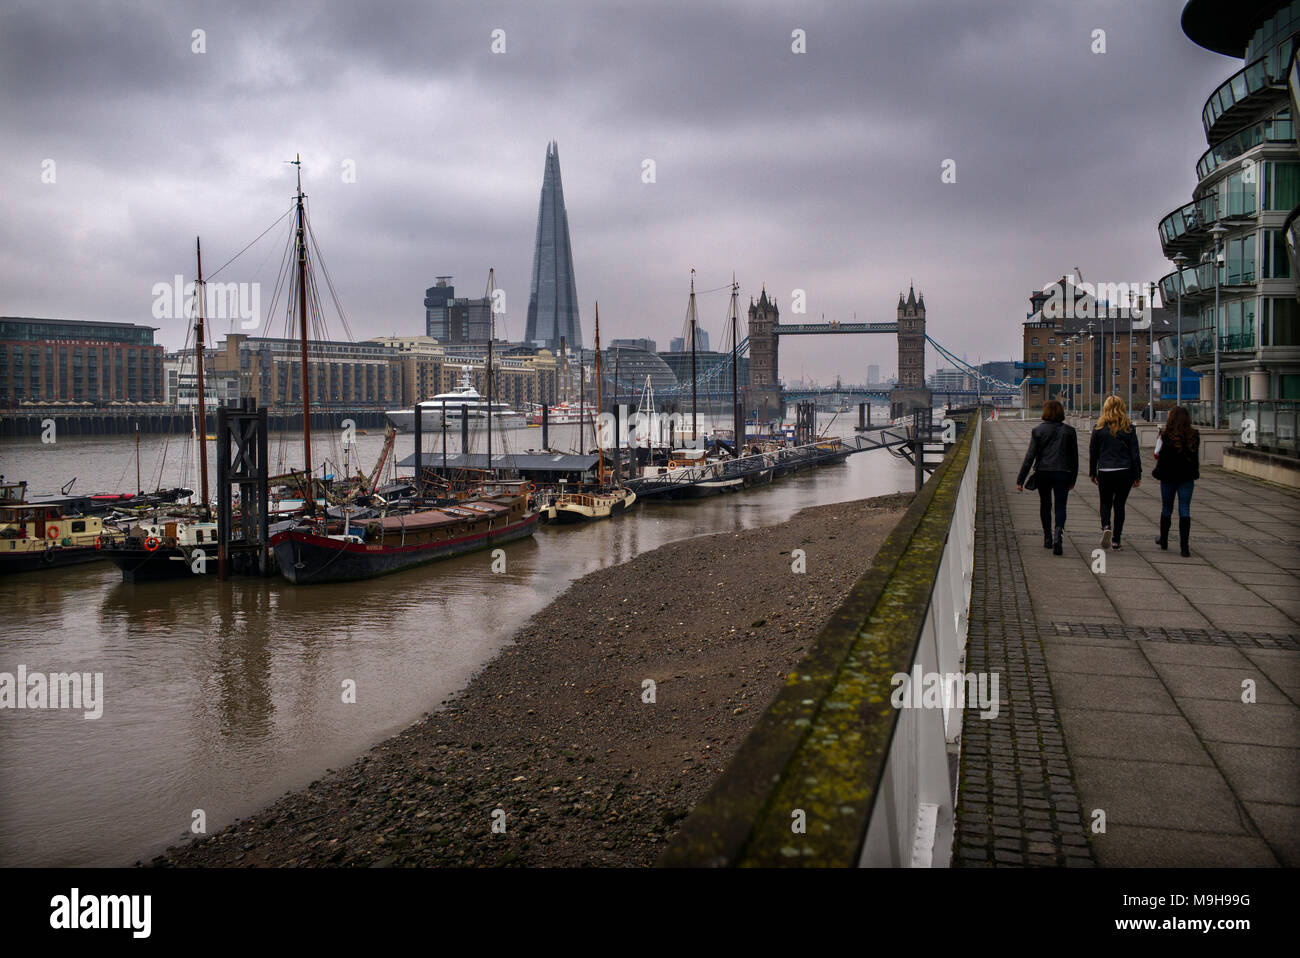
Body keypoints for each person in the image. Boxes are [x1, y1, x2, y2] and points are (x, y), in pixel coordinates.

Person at [1016, 399, 1078, 556]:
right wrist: (1073, 479)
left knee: (1045, 504)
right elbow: (1074, 459)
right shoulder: (1070, 431)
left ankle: (1048, 538)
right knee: (1060, 505)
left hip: (1043, 472)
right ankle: (1058, 532)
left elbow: (1030, 456)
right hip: (1063, 472)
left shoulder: (1038, 430)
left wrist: (1020, 479)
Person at [1089, 395, 1141, 550]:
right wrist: (1137, 475)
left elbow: (1093, 453)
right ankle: (1116, 539)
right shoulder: (1129, 428)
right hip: (1125, 471)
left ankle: (1106, 526)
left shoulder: (1098, 429)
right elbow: (1135, 454)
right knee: (1119, 505)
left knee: (1105, 502)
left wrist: (1092, 472)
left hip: (1105, 470)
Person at [1152, 405, 1200, 556]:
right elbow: (1195, 458)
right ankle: (1184, 547)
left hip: (1168, 476)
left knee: (1167, 508)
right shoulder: (1194, 435)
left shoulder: (1165, 435)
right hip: (1186, 477)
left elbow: (1157, 453)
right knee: (1184, 509)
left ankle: (1164, 539)